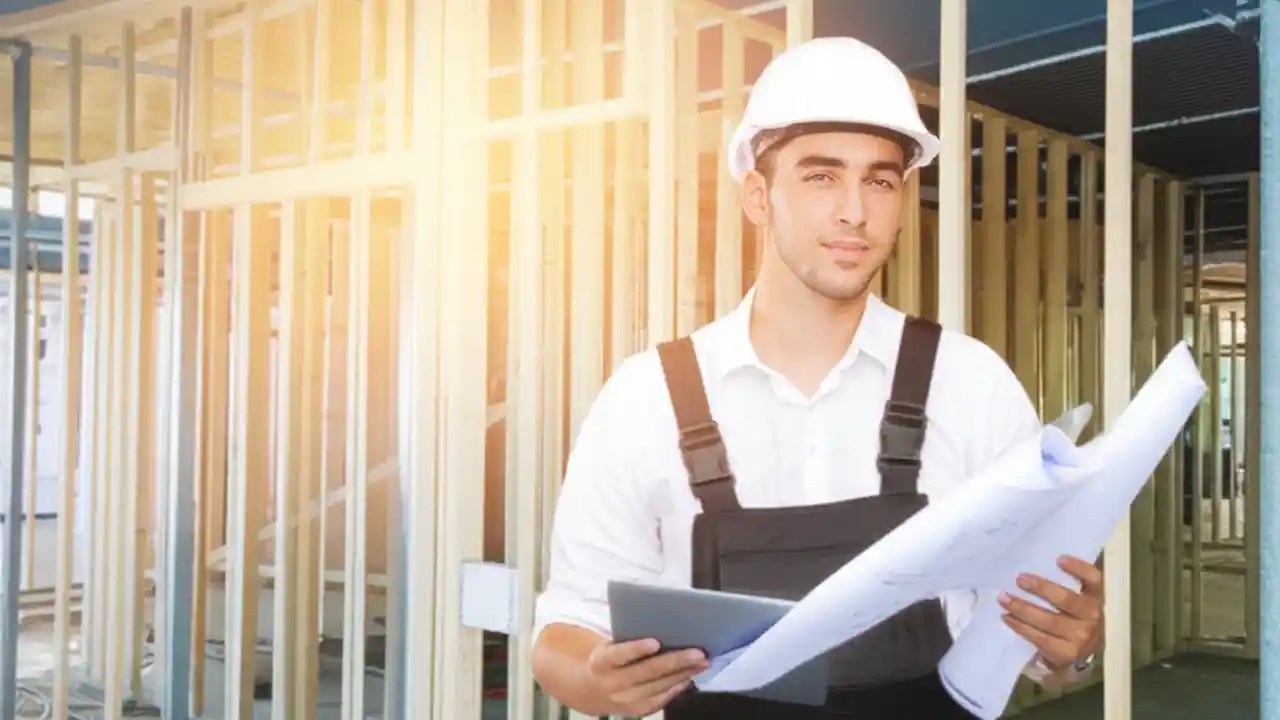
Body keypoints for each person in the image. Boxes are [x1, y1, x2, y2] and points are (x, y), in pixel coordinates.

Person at [530, 36, 1104, 718]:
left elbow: (1039, 638)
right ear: (758, 196)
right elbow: (564, 628)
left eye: (880, 180)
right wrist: (597, 681)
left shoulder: (971, 384)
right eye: (821, 176)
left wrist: (1075, 644)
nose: (855, 211)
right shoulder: (645, 396)